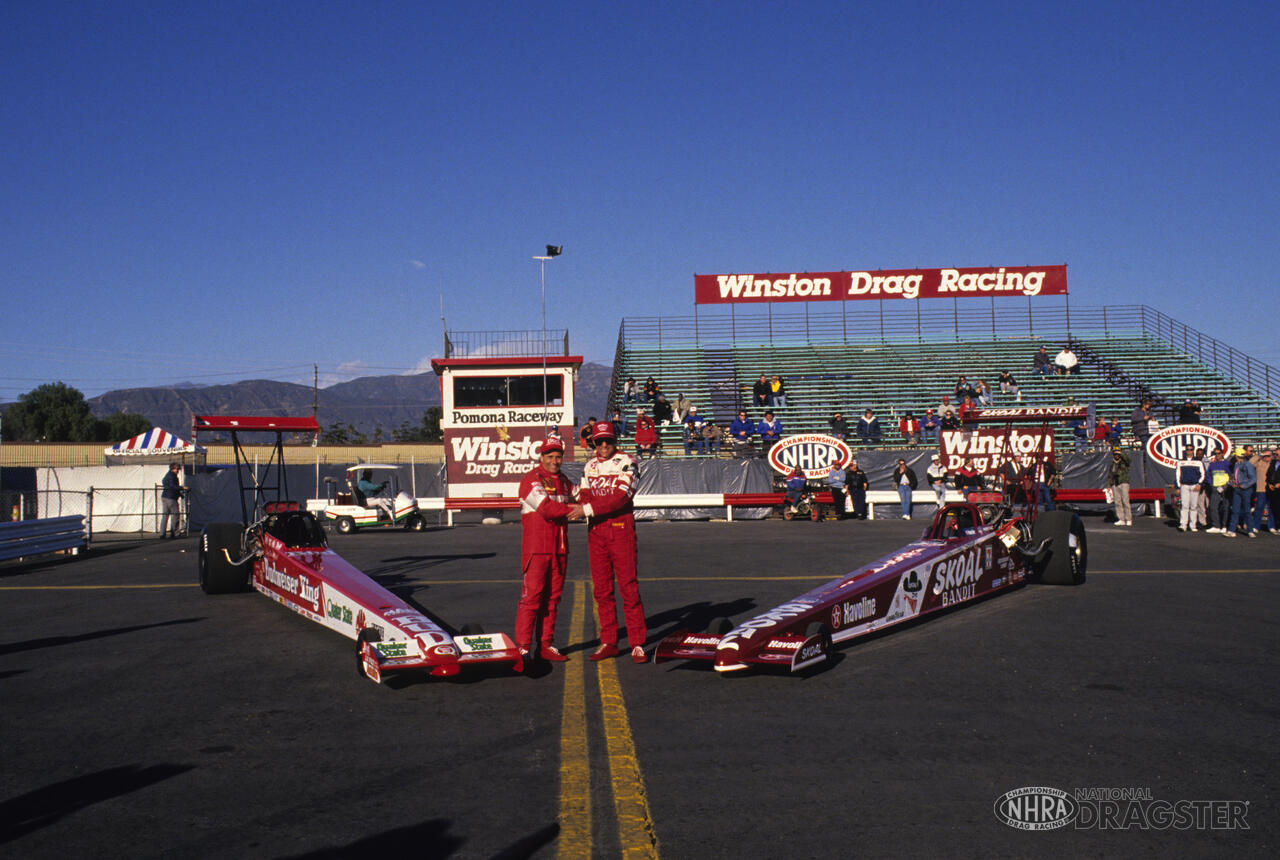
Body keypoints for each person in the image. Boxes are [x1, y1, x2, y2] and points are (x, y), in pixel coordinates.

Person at [579, 421, 648, 663]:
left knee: (628, 587)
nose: (604, 445)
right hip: (596, 532)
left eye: (608, 440)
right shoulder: (589, 466)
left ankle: (637, 642)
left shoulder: (628, 462)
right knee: (602, 590)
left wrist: (586, 509)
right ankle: (608, 641)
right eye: (599, 441)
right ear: (593, 442)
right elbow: (584, 494)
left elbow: (620, 498)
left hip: (620, 530)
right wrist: (584, 507)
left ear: (614, 440)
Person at [515, 437, 583, 665]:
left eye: (558, 456)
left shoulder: (564, 480)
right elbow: (547, 509)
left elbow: (583, 494)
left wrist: (592, 500)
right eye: (550, 456)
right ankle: (523, 648)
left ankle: (545, 645)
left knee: (553, 600)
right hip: (537, 550)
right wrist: (579, 509)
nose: (555, 461)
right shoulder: (531, 480)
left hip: (560, 549)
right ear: (541, 457)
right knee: (531, 599)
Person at [1225, 446, 1257, 538]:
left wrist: (1245, 485)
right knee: (1235, 510)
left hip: (1246, 490)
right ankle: (1232, 530)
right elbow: (1234, 476)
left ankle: (1250, 530)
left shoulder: (1247, 465)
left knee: (1247, 510)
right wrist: (1232, 483)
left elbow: (1253, 478)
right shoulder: (1236, 464)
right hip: (1237, 489)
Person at [1175, 447, 1206, 532]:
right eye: (1188, 449)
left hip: (1194, 486)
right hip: (1184, 485)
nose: (1189, 451)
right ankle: (1183, 525)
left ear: (1193, 451)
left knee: (1194, 506)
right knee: (1184, 506)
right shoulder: (1181, 462)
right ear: (1185, 451)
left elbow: (1203, 474)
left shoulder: (1198, 462)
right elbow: (1177, 474)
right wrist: (1178, 486)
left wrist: (1199, 484)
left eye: (1191, 449)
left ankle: (1193, 525)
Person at [1203, 446, 1231, 533]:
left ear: (1222, 454)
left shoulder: (1227, 464)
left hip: (1225, 488)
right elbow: (1208, 475)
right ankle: (1216, 526)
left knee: (1226, 507)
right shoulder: (1212, 464)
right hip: (1215, 488)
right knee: (1213, 507)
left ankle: (1224, 526)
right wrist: (1212, 485)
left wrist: (1226, 485)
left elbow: (1232, 476)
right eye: (1215, 454)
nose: (1217, 455)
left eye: (1219, 453)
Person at [1108, 449, 1132, 527]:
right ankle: (1121, 519)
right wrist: (1109, 485)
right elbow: (1110, 475)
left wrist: (1122, 454)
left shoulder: (1123, 463)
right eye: (1115, 454)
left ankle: (1128, 519)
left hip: (1123, 482)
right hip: (1115, 483)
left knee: (1125, 501)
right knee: (1117, 502)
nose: (1117, 456)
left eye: (1118, 454)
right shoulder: (1112, 464)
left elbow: (1128, 460)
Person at [160, 462, 183, 538]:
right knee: (175, 515)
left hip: (165, 497)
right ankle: (175, 533)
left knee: (165, 516)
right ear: (173, 469)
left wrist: (179, 493)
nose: (178, 471)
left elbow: (166, 484)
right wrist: (182, 488)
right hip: (171, 497)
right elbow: (173, 486)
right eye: (177, 469)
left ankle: (162, 533)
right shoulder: (172, 476)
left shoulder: (167, 475)